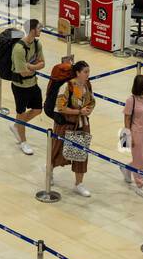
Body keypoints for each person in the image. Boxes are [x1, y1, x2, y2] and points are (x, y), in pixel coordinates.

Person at [50, 60, 95, 197]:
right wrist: (79, 112)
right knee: (57, 150)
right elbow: (61, 107)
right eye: (85, 72)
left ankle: (79, 184)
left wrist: (88, 110)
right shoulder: (67, 86)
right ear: (77, 72)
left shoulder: (87, 85)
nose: (88, 74)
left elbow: (91, 101)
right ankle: (49, 171)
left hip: (82, 124)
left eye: (88, 71)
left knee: (81, 153)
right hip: (66, 124)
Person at [8, 19, 46, 155]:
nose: (41, 30)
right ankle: (23, 142)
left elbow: (43, 64)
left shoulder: (37, 44)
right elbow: (23, 72)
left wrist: (31, 66)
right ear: (32, 30)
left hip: (33, 83)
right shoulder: (18, 49)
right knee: (21, 112)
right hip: (20, 87)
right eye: (39, 28)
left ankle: (17, 125)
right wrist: (33, 67)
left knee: (37, 109)